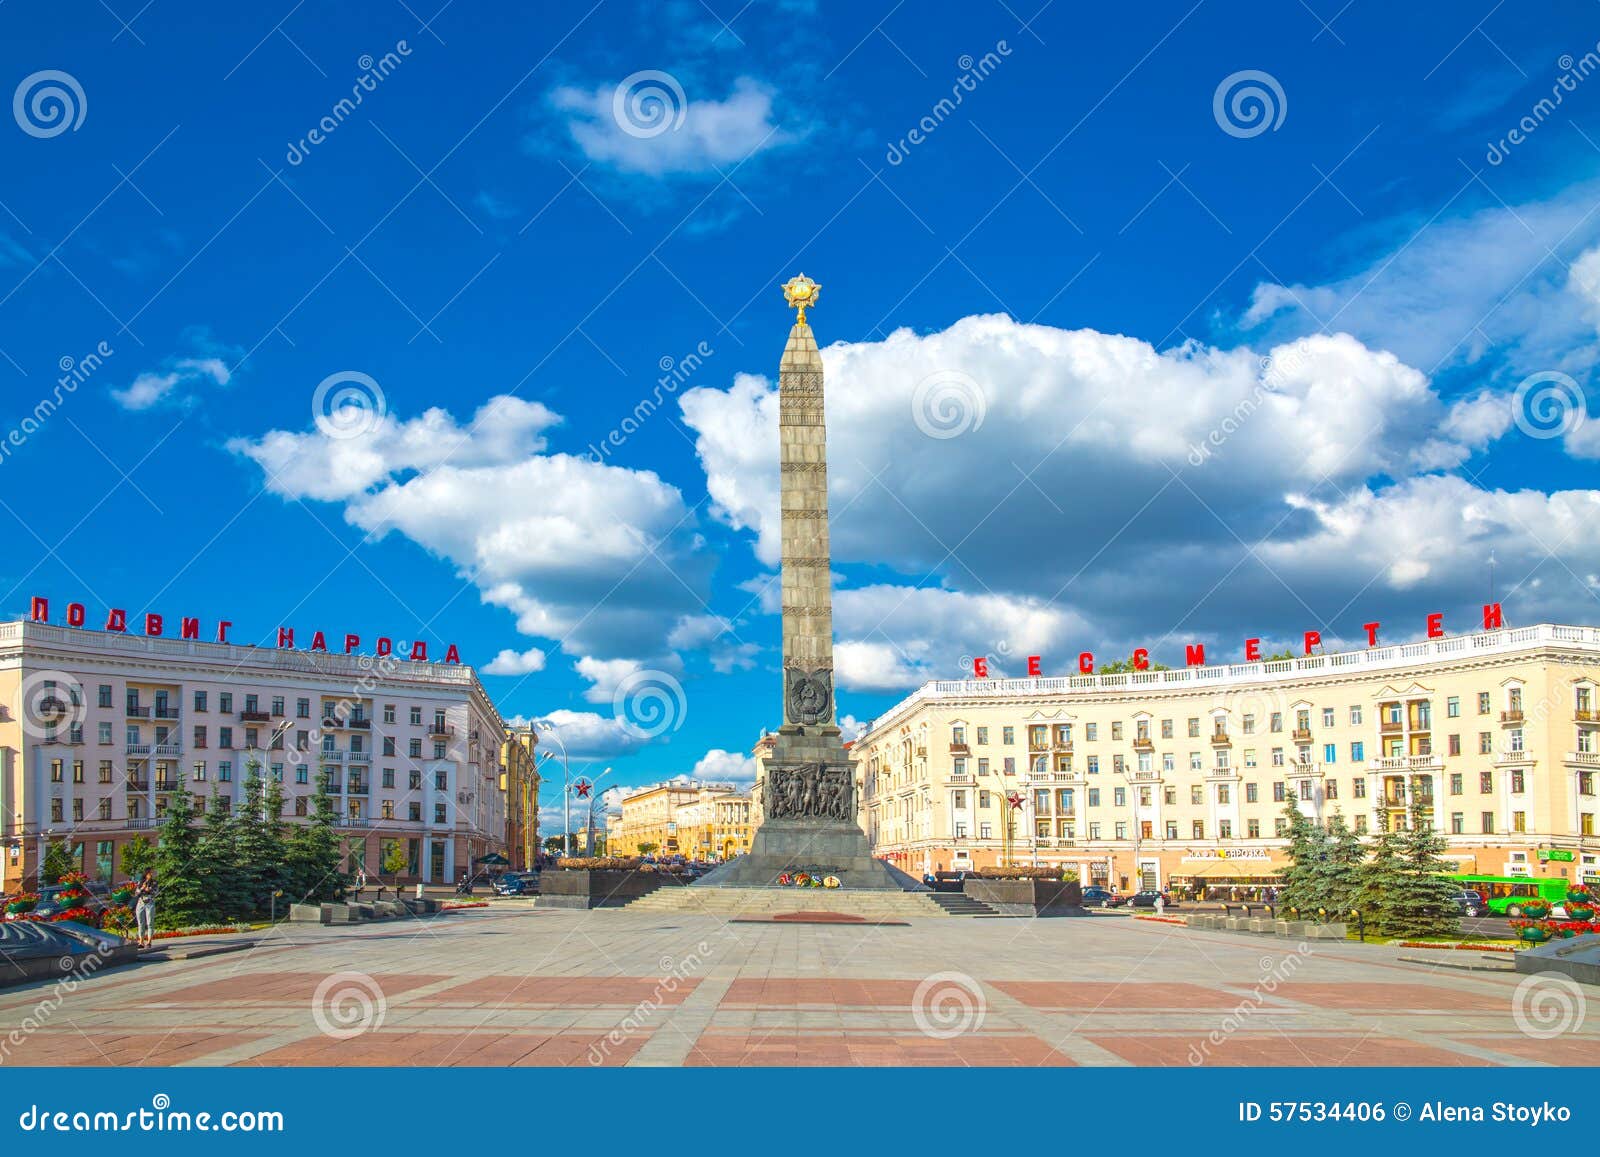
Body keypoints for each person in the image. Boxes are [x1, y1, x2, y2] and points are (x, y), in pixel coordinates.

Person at [133, 869, 157, 950]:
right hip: (140, 903)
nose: (151, 874)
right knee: (140, 923)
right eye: (150, 873)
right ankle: (141, 941)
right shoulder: (140, 882)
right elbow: (136, 893)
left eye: (152, 873)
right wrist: (142, 888)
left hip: (149, 903)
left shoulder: (154, 883)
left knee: (150, 922)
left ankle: (149, 942)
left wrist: (149, 890)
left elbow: (156, 892)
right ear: (146, 874)